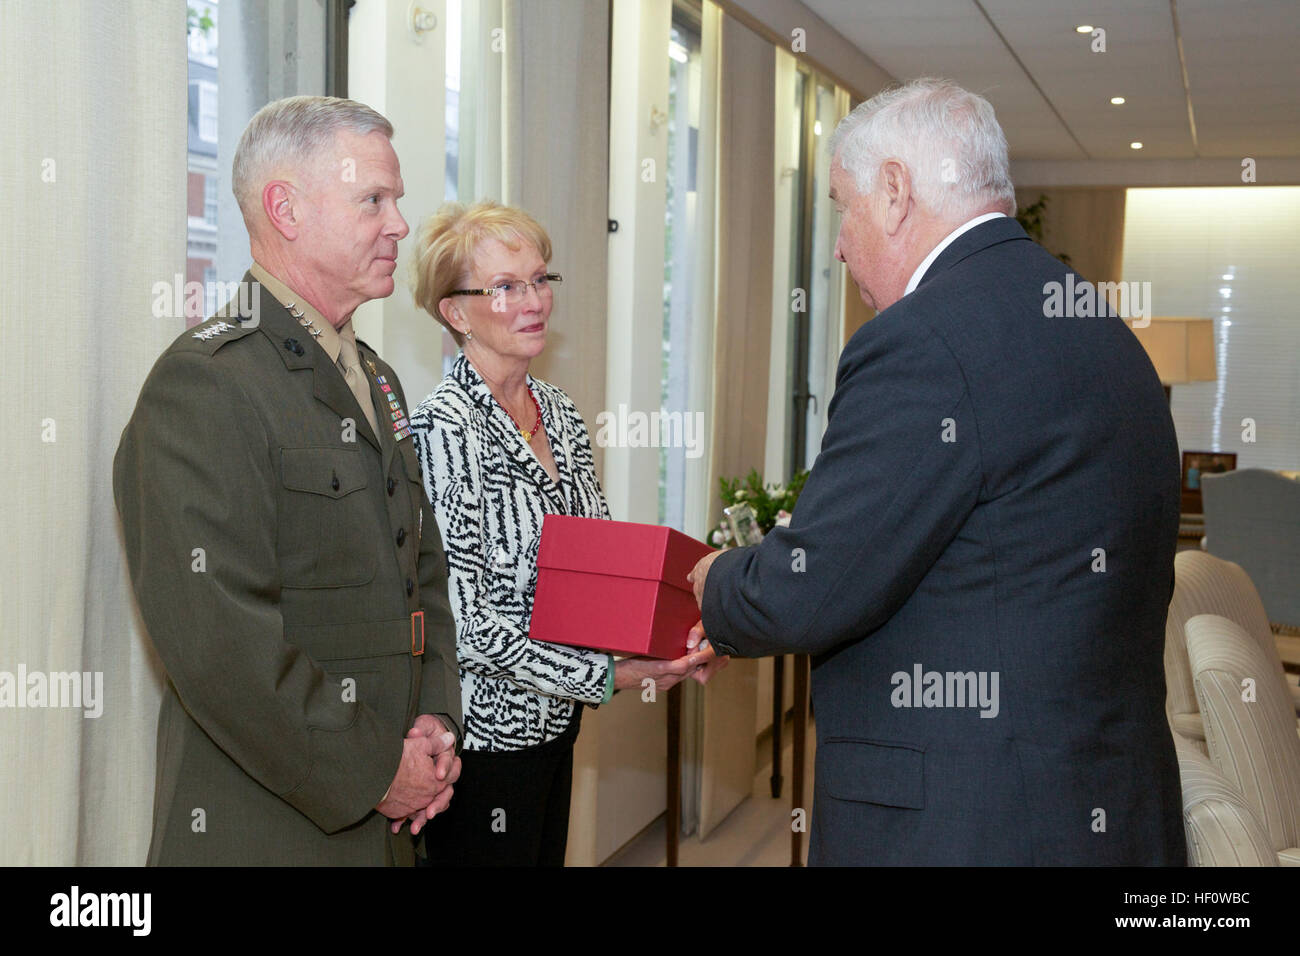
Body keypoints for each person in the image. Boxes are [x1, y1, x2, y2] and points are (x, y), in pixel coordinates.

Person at [687, 78, 1185, 865]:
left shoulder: (923, 342)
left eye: (843, 208)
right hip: (1105, 802)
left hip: (970, 821)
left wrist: (714, 579)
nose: (843, 245)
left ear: (894, 191)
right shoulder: (1096, 322)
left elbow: (813, 587)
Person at [114, 96, 463, 865]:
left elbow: (423, 575)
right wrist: (377, 769)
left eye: (396, 199)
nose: (400, 224)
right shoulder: (206, 386)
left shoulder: (375, 377)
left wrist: (436, 717)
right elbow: (220, 645)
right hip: (270, 829)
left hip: (389, 821)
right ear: (286, 209)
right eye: (374, 199)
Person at [408, 200, 725, 866]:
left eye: (540, 279)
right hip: (486, 747)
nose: (535, 301)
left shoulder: (558, 411)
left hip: (558, 725)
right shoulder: (444, 428)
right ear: (455, 312)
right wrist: (605, 673)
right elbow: (464, 624)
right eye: (505, 287)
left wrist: (680, 636)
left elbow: (600, 569)